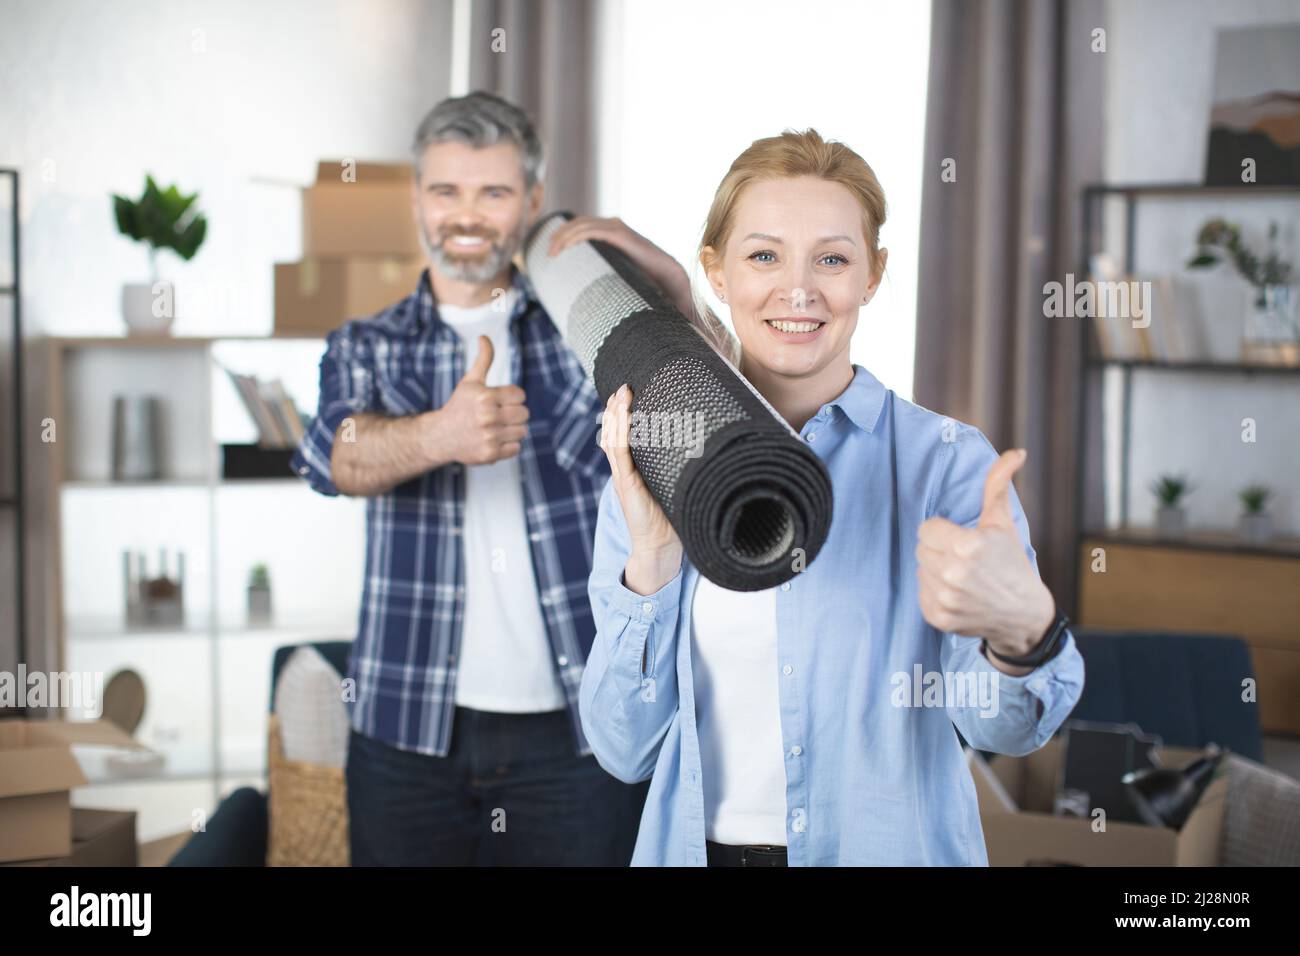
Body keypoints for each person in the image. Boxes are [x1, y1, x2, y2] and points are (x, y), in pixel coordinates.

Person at [564, 128, 1085, 866]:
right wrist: (650, 557)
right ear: (716, 271)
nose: (799, 289)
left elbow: (1003, 729)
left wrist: (1021, 632)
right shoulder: (654, 459)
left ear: (872, 275)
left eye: (833, 259)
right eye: (764, 255)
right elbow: (624, 750)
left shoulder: (945, 467)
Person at [291, 91, 648, 866]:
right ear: (418, 198)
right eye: (446, 190)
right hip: (405, 731)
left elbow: (698, 409)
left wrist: (672, 286)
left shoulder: (585, 332)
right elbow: (330, 457)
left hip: (578, 732)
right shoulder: (369, 345)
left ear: (533, 202)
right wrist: (439, 434)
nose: (467, 214)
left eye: (493, 192)